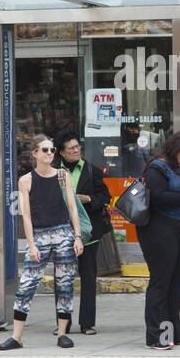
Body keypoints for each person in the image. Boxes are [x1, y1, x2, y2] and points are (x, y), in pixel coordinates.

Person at [0, 135, 84, 351]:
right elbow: (25, 215)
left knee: (65, 283)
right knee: (27, 284)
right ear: (35, 154)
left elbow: (73, 208)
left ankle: (62, 333)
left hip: (63, 231)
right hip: (39, 234)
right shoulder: (26, 180)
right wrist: (31, 244)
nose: (50, 153)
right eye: (45, 149)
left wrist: (77, 236)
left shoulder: (63, 175)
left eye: (52, 149)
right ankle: (16, 337)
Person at [138, 130, 180, 350]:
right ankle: (155, 334)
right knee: (161, 281)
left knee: (177, 282)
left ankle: (173, 330)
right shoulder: (157, 168)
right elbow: (156, 197)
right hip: (160, 230)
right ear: (175, 149)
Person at [56, 129, 111, 335]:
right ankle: (63, 323)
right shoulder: (55, 172)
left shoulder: (90, 170)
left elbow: (105, 197)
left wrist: (87, 199)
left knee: (88, 277)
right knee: (63, 278)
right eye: (71, 148)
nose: (76, 150)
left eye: (77, 147)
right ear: (61, 152)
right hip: (62, 231)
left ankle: (87, 323)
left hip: (88, 231)